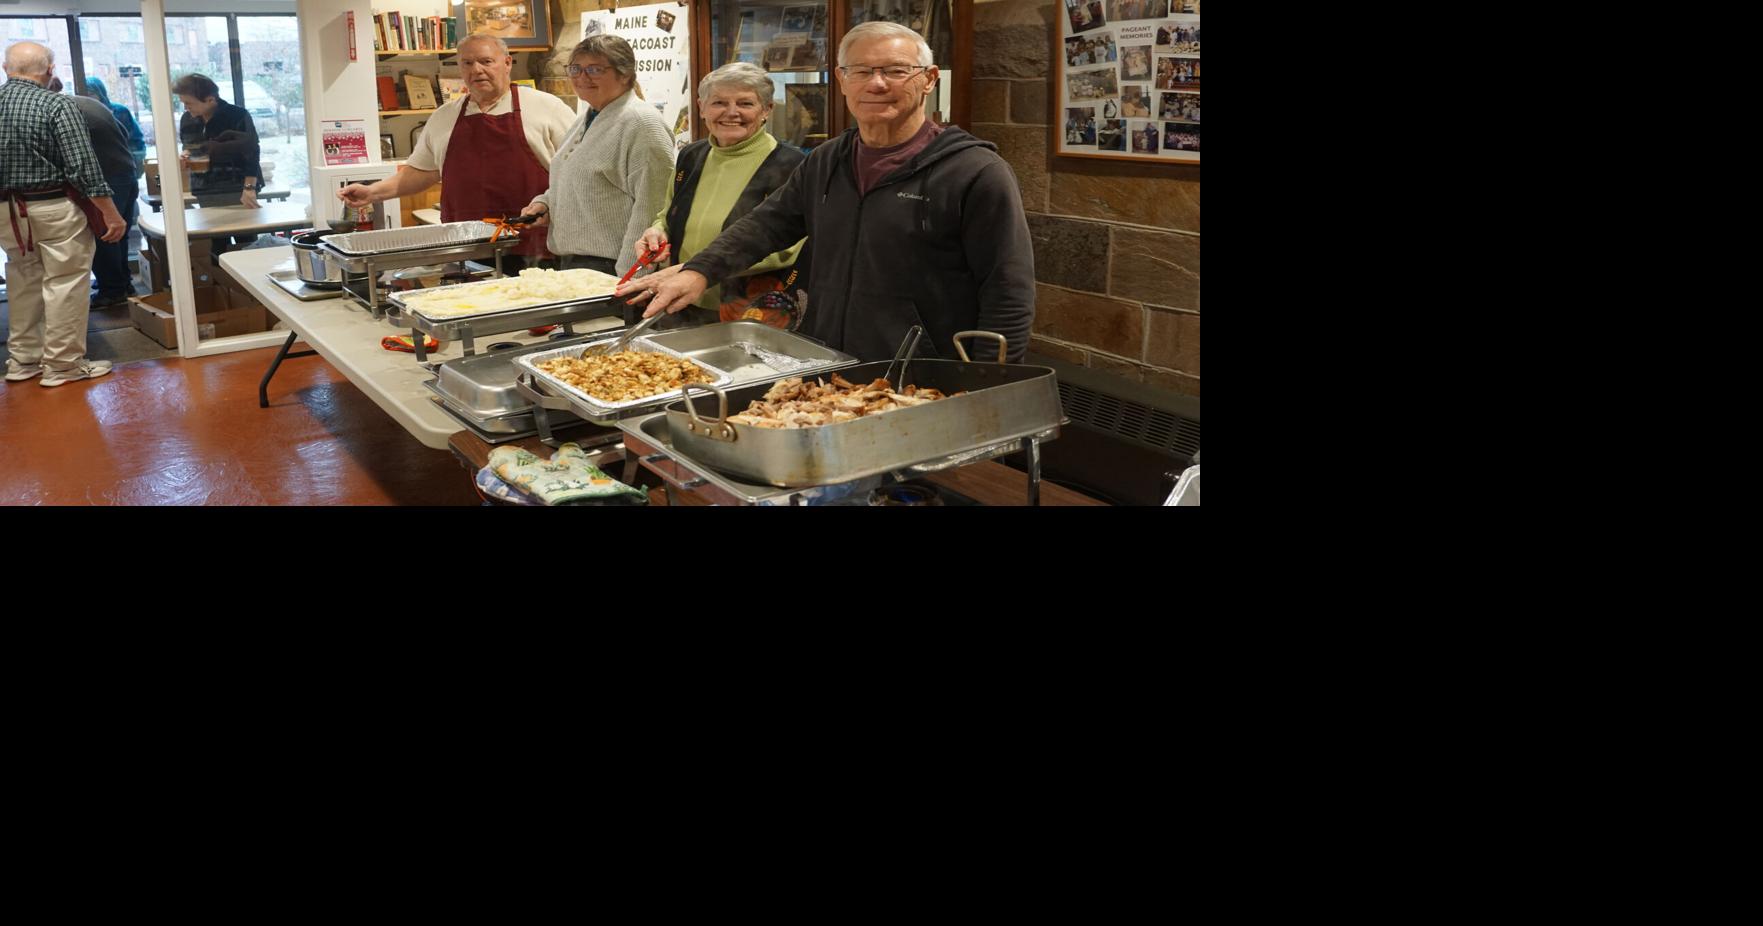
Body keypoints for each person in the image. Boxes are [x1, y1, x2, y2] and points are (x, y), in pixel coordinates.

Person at [622, 21, 1034, 363]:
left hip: (922, 370)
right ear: (841, 80)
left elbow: (1008, 292)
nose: (876, 84)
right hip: (825, 357)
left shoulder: (974, 171)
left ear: (927, 80)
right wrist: (699, 270)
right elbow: (766, 226)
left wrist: (987, 383)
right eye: (860, 71)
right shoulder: (827, 159)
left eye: (894, 71)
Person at [338, 33, 577, 271]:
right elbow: (421, 172)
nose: (477, 70)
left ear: (507, 63)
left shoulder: (547, 107)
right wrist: (371, 192)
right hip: (464, 248)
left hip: (534, 247)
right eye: (467, 63)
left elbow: (576, 171)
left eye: (486, 61)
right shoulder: (444, 116)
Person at [627, 62, 807, 329]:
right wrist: (657, 231)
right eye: (719, 102)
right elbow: (668, 213)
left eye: (745, 104)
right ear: (701, 108)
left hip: (749, 312)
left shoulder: (792, 165)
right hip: (681, 303)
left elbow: (784, 250)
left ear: (767, 110)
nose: (731, 113)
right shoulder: (691, 156)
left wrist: (697, 268)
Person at [1, 41, 128, 388]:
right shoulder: (56, 104)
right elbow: (84, 167)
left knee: (22, 279)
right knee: (66, 283)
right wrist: (111, 215)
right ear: (50, 70)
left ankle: (23, 361)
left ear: (4, 68)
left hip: (5, 211)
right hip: (53, 206)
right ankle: (63, 365)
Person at [516, 34, 673, 280]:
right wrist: (546, 204)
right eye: (576, 68)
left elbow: (652, 206)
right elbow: (581, 179)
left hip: (612, 269)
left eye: (595, 69)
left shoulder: (642, 123)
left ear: (625, 74)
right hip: (576, 264)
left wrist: (632, 276)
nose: (582, 77)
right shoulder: (589, 116)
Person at [50, 77, 140, 309]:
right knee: (118, 233)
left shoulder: (66, 111)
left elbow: (74, 154)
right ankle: (123, 284)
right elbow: (123, 134)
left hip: (107, 176)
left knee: (104, 234)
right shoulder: (89, 103)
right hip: (125, 172)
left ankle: (112, 291)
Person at [172, 73, 262, 209]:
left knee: (244, 228)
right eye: (183, 103)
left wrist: (249, 188)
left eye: (189, 103)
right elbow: (189, 146)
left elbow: (252, 153)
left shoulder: (237, 116)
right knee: (211, 228)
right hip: (204, 187)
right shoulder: (187, 119)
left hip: (237, 185)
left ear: (210, 99)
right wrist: (186, 154)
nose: (186, 108)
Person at [81, 77, 146, 178]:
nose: (88, 98)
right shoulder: (84, 113)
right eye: (85, 95)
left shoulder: (119, 111)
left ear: (101, 94)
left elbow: (121, 138)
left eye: (91, 94)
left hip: (124, 163)